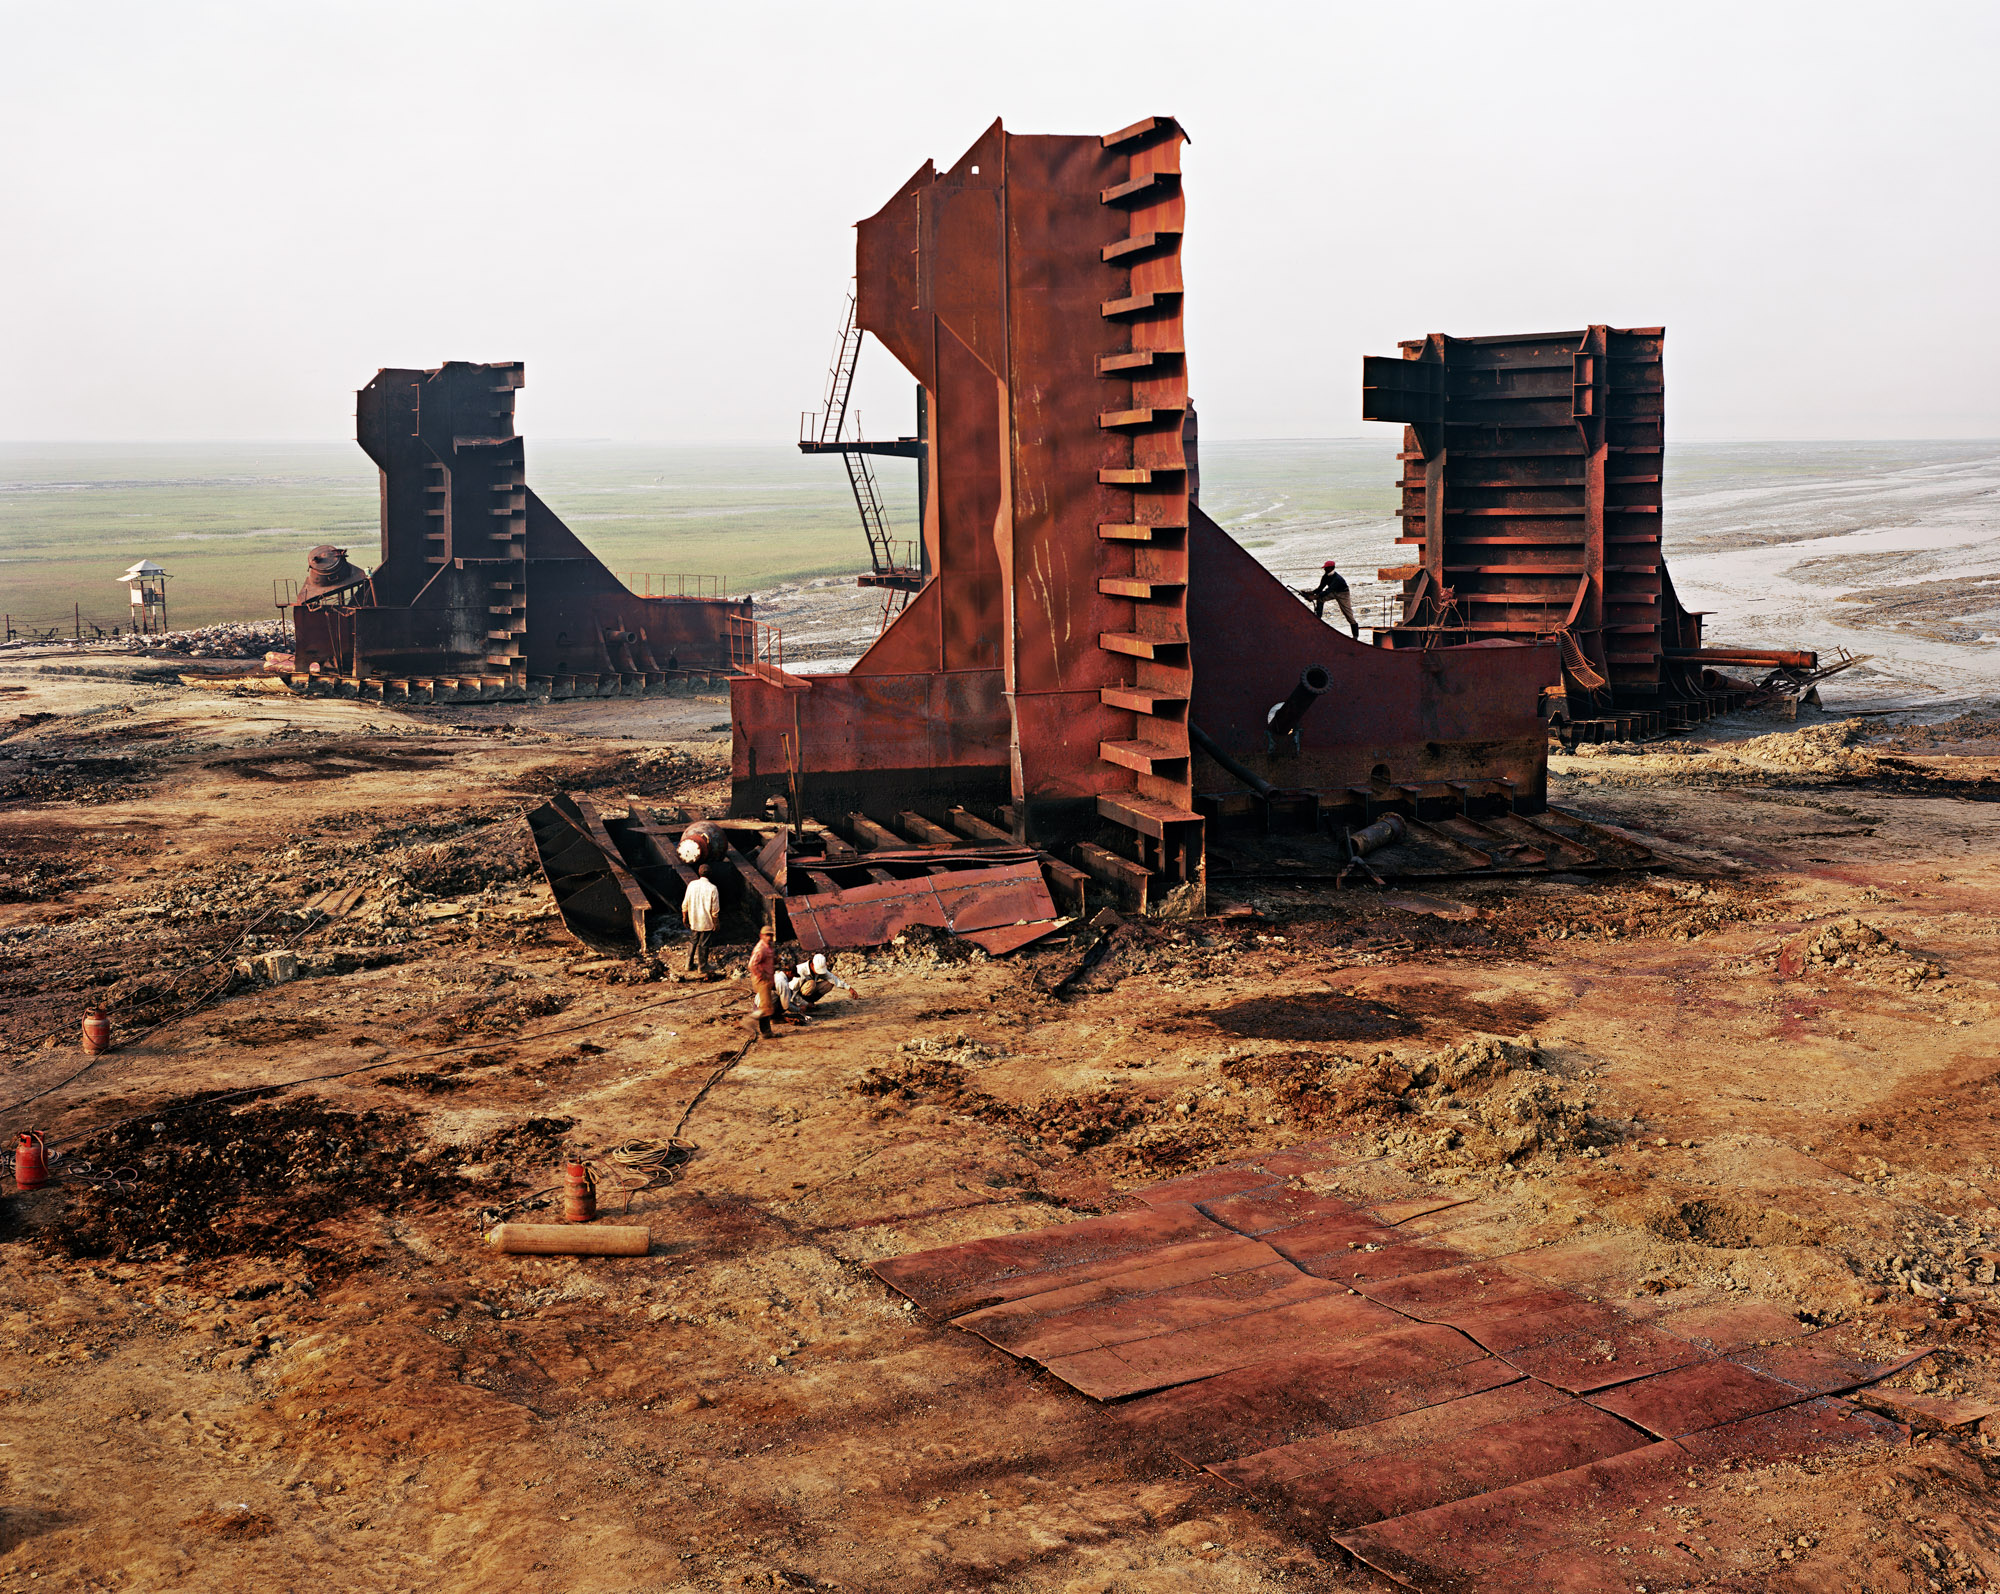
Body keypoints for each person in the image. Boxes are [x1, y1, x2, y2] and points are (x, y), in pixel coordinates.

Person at [1296, 559, 1359, 639]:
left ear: (1331, 568)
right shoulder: (1325, 576)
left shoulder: (1337, 579)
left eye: (1326, 568)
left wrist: (1314, 597)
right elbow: (1320, 588)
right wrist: (1311, 593)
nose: (1324, 569)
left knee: (1348, 614)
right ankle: (1318, 618)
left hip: (1343, 594)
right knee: (1320, 599)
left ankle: (1355, 636)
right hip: (1333, 591)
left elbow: (1328, 591)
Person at [680, 863, 721, 978]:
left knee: (693, 940)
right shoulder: (713, 888)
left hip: (694, 919)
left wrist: (685, 918)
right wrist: (716, 923)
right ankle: (702, 967)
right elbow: (715, 910)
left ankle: (688, 964)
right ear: (710, 874)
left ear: (699, 873)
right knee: (704, 943)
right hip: (706, 921)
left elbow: (685, 903)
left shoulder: (692, 885)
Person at [747, 925, 779, 1038]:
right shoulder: (761, 949)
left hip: (767, 979)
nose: (769, 937)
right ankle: (749, 1021)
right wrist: (762, 976)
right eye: (767, 935)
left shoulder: (768, 947)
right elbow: (752, 965)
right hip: (762, 980)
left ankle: (766, 1032)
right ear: (761, 936)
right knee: (766, 1008)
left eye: (771, 935)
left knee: (766, 1006)